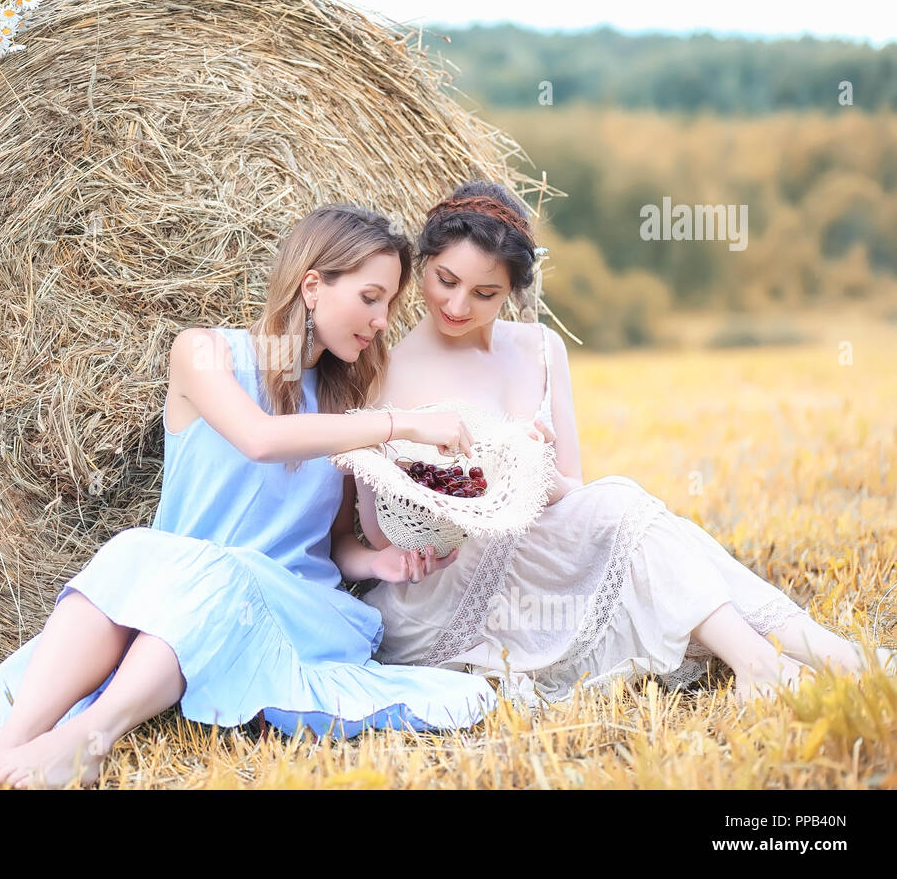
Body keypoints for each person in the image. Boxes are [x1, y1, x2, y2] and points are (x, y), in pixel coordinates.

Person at [0, 204, 496, 789]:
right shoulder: (203, 352)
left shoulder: (345, 400)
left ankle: (88, 740)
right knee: (136, 550)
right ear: (312, 287)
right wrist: (399, 424)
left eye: (390, 305)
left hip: (290, 607)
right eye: (370, 297)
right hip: (173, 599)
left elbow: (334, 543)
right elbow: (258, 438)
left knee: (218, 573)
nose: (381, 321)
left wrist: (380, 561)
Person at [334, 181, 891, 710]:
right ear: (423, 264)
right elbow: (371, 531)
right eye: (444, 280)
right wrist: (429, 524)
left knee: (624, 510)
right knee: (625, 507)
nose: (457, 306)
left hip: (536, 556)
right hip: (441, 589)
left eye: (485, 293)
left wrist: (530, 473)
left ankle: (808, 657)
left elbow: (573, 491)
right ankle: (794, 660)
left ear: (513, 290)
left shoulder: (542, 348)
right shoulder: (382, 371)